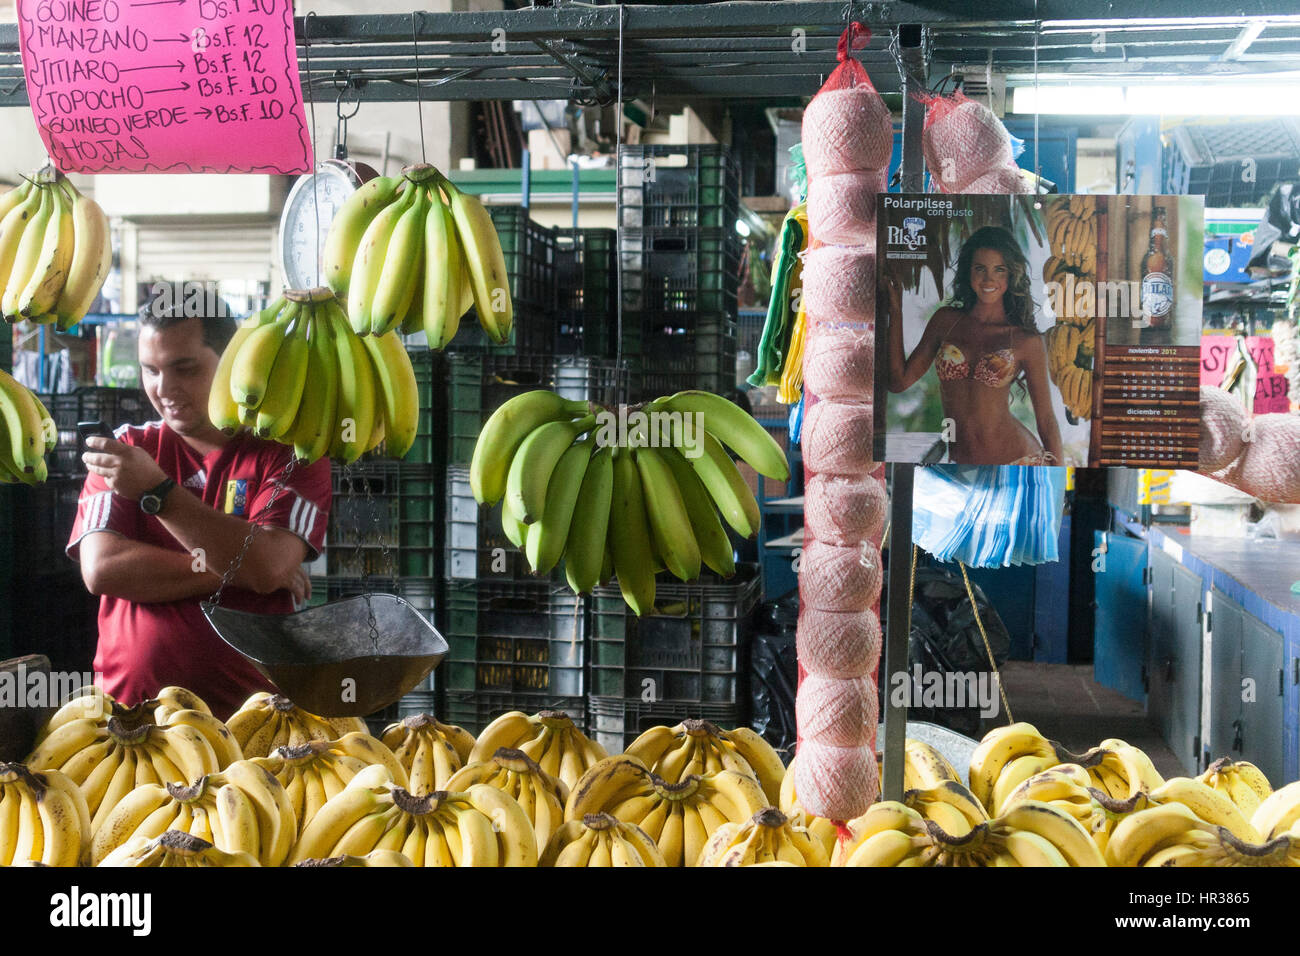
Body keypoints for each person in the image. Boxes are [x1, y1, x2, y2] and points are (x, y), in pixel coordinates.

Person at [66, 291, 332, 719]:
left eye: (184, 368)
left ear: (231, 360)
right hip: (124, 725)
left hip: (251, 728)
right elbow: (102, 569)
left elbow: (265, 566)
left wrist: (156, 491)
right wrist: (239, 569)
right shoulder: (127, 448)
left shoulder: (292, 453)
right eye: (150, 370)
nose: (163, 389)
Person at [886, 225, 1063, 465]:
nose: (988, 279)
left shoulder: (1026, 341)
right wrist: (895, 311)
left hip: (1018, 460)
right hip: (962, 464)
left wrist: (1057, 476)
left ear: (1011, 275)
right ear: (968, 272)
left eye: (999, 270)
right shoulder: (946, 321)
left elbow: (1047, 420)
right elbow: (898, 381)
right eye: (980, 268)